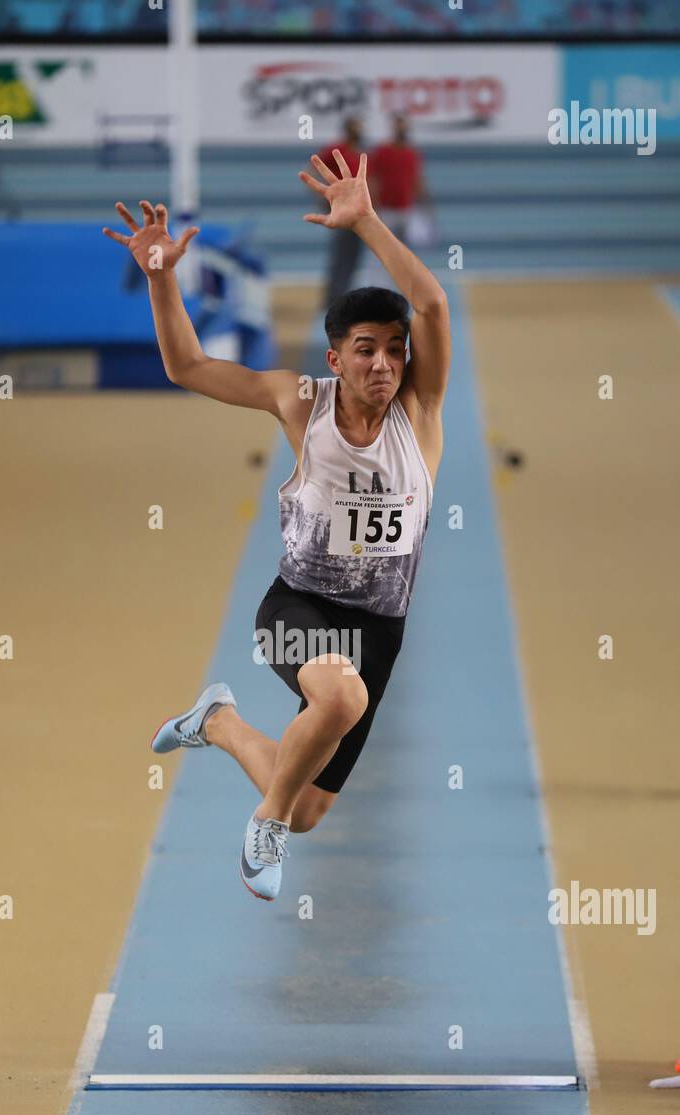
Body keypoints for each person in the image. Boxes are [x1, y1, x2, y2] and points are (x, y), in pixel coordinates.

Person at [102, 150, 451, 901]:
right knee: (340, 703)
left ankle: (219, 722)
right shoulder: (301, 402)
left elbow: (433, 308)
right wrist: (163, 278)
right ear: (335, 358)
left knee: (313, 812)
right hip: (296, 607)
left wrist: (367, 223)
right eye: (367, 351)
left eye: (394, 351)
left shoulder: (419, 416)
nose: (385, 364)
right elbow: (189, 367)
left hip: (379, 628)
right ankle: (262, 820)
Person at [315, 116, 365, 306]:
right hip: (342, 212)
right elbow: (314, 167)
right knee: (340, 256)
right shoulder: (338, 149)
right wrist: (322, 198)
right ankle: (332, 297)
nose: (360, 131)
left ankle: (344, 294)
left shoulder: (358, 152)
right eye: (356, 127)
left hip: (358, 214)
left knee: (353, 256)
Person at [367, 114, 431, 248]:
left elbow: (417, 180)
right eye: (398, 126)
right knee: (384, 249)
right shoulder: (382, 151)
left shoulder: (412, 153)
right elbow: (371, 179)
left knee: (406, 251)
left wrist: (425, 205)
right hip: (386, 209)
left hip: (406, 209)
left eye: (404, 126)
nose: (401, 129)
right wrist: (373, 205)